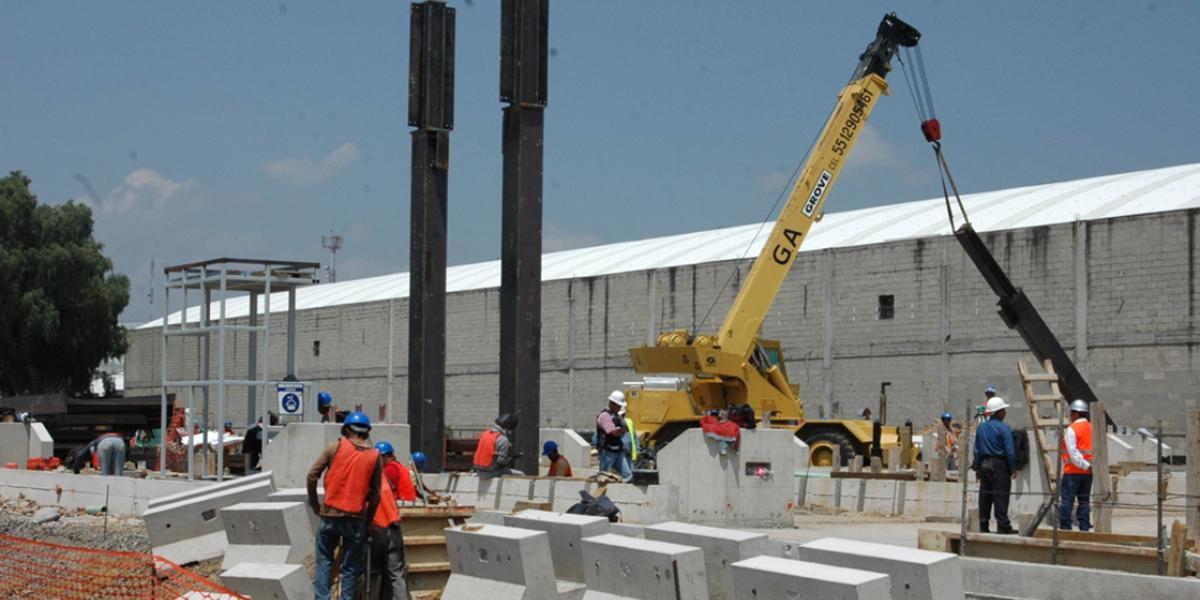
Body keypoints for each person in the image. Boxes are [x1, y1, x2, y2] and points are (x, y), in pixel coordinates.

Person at [307, 411, 383, 600]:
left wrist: (315, 504)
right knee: (349, 569)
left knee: (324, 562)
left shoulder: (334, 447)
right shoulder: (375, 456)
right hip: (355, 520)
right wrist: (367, 523)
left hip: (330, 515)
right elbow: (376, 496)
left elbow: (311, 475)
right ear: (366, 432)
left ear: (346, 429)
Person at [972, 397, 1019, 534]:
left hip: (984, 464)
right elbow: (1010, 451)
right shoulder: (1004, 428)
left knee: (985, 495)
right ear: (998, 412)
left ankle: (983, 524)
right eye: (1003, 410)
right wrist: (1013, 467)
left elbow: (976, 450)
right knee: (1001, 495)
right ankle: (1003, 525)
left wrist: (977, 467)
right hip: (1000, 465)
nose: (1005, 412)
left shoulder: (981, 428)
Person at [368, 471, 409, 600]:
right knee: (396, 575)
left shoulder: (366, 478)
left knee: (365, 571)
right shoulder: (384, 478)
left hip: (376, 531)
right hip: (394, 530)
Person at [1059, 399, 1094, 531]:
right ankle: (1084, 528)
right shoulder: (1092, 428)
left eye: (1072, 413)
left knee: (1067, 501)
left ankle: (1065, 528)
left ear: (1077, 414)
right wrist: (1089, 467)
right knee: (1084, 502)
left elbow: (1073, 453)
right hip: (1088, 474)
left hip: (1072, 472)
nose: (1070, 416)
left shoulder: (1072, 429)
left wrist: (1084, 465)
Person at [596, 391, 632, 481]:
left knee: (628, 475)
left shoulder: (616, 416)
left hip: (618, 450)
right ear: (612, 403)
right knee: (604, 477)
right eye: (619, 405)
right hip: (608, 451)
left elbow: (626, 428)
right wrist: (622, 430)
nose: (620, 408)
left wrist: (622, 428)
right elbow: (613, 432)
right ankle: (600, 495)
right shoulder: (604, 415)